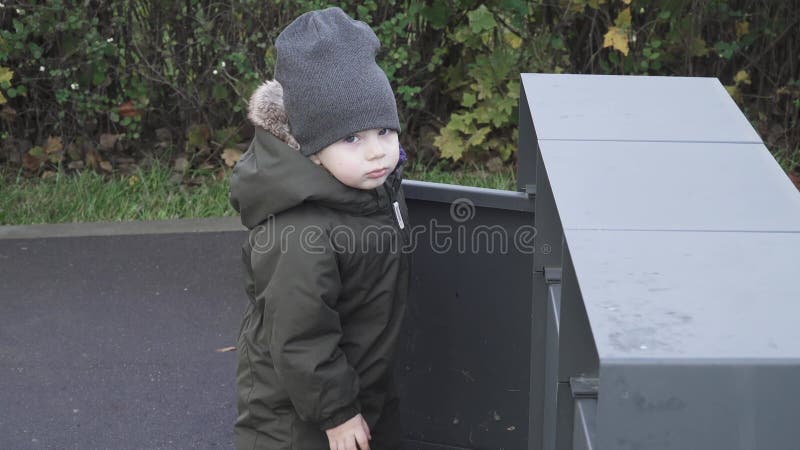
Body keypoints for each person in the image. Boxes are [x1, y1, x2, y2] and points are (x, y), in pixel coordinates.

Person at [228, 6, 411, 450]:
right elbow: (299, 335)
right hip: (298, 421)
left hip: (360, 390)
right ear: (311, 150)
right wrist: (337, 412)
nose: (376, 153)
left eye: (385, 131)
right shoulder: (298, 232)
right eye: (351, 139)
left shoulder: (372, 192)